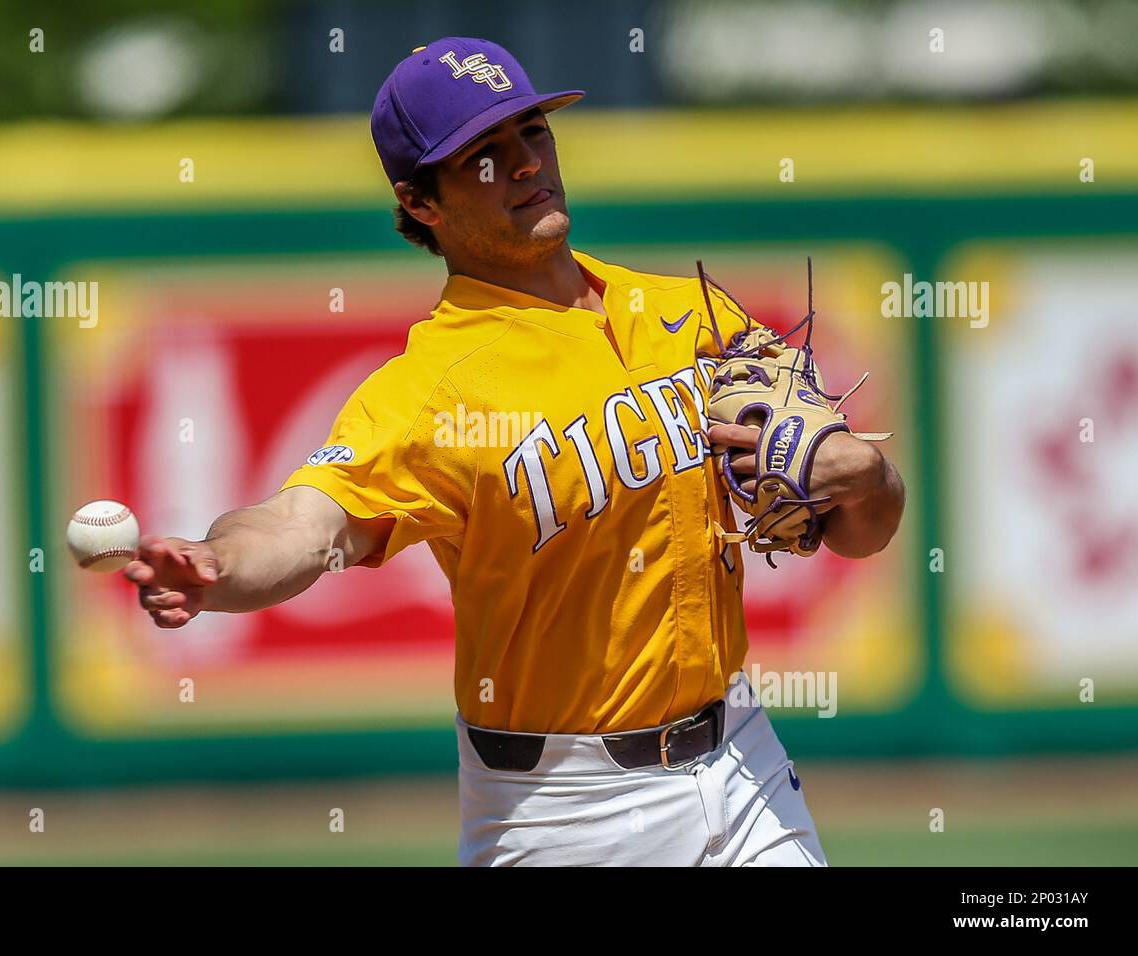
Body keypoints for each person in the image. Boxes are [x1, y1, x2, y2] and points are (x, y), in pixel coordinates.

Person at [124, 37, 905, 866]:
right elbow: (300, 524)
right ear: (421, 201)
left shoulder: (694, 317)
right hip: (562, 809)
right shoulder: (431, 391)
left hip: (744, 761)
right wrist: (217, 562)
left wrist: (867, 474)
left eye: (531, 132)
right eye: (483, 157)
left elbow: (864, 529)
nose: (524, 164)